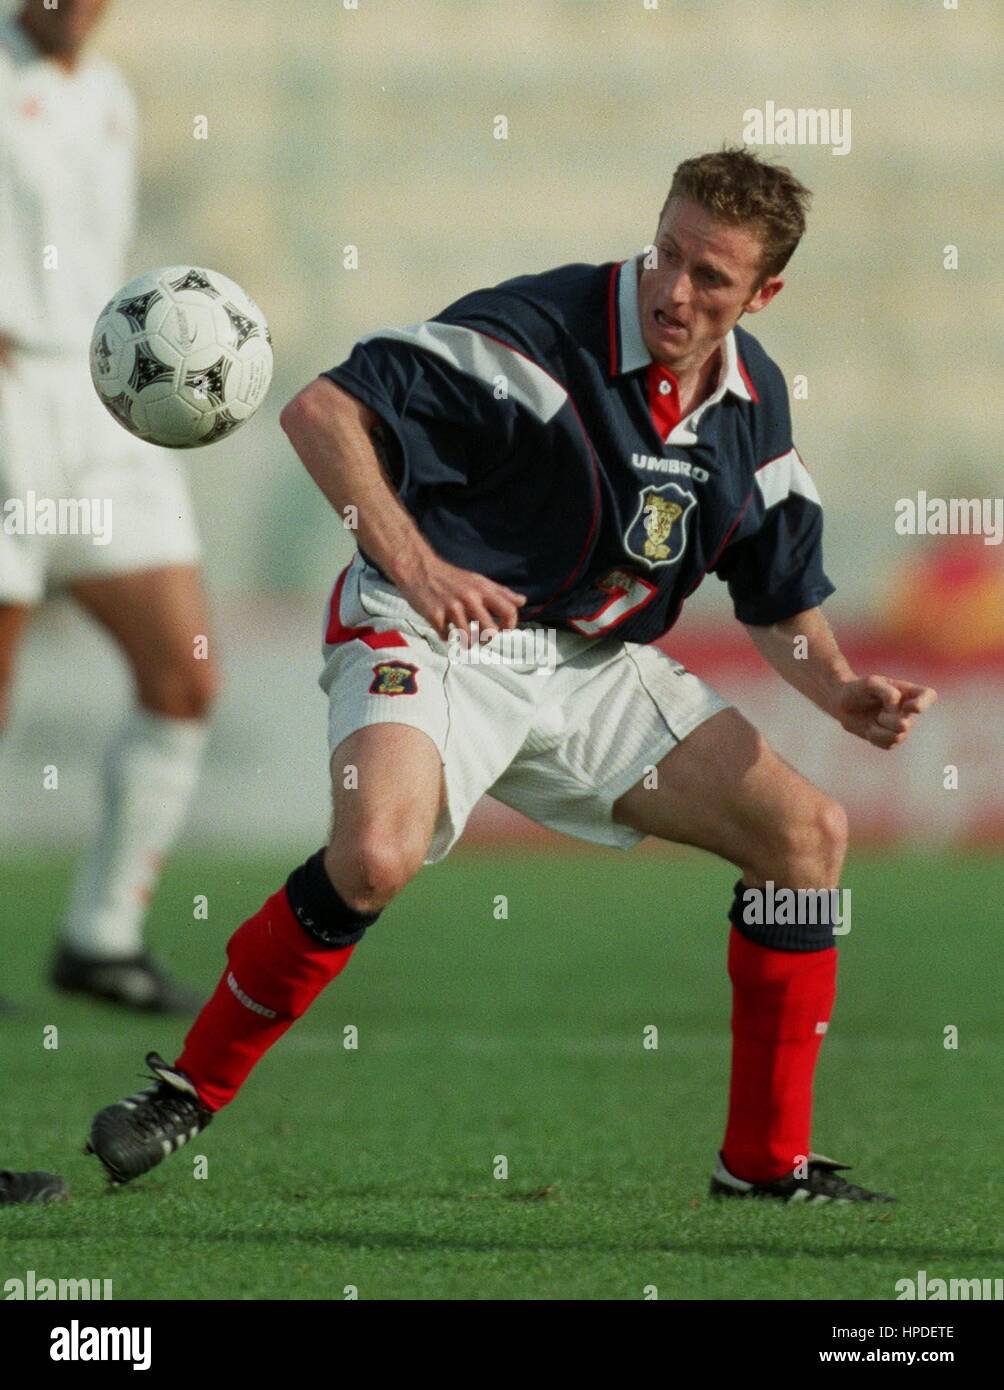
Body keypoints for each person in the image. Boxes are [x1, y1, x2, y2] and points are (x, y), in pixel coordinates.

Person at [86, 148, 936, 1201]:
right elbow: (322, 414)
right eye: (664, 251)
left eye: (708, 277)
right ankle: (184, 1093)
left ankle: (762, 1166)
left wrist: (840, 685)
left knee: (807, 836)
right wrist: (419, 564)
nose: (672, 288)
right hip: (428, 628)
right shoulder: (538, 332)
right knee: (375, 856)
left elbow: (773, 597)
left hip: (586, 664)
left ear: (762, 292)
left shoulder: (751, 405)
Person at [0, 0, 215, 1012]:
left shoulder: (111, 93)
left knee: (184, 676)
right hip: (5, 394)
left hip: (101, 396)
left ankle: (101, 935)